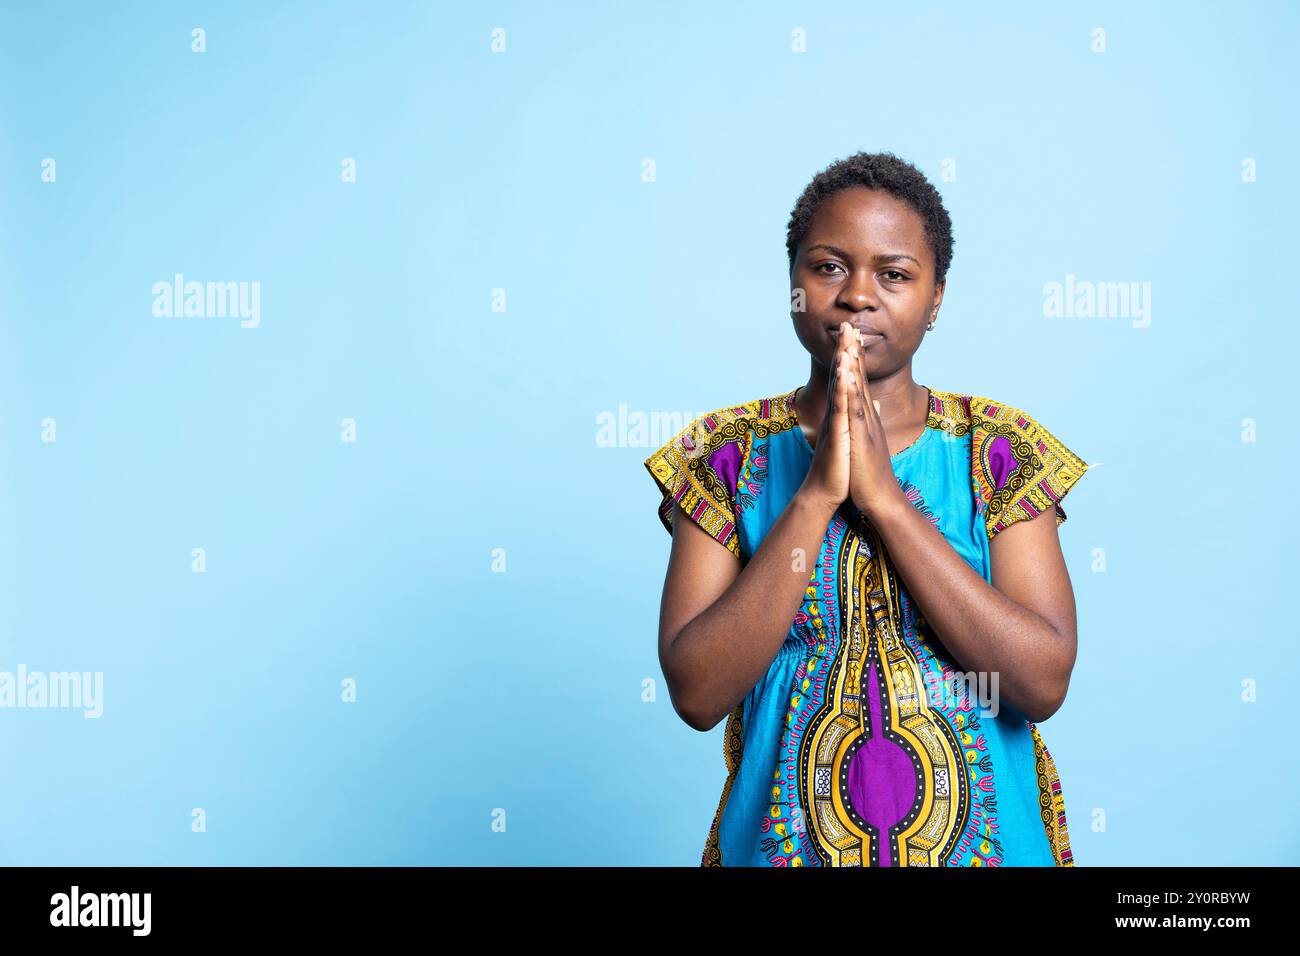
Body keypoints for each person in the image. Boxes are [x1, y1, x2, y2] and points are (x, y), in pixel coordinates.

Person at [643, 151, 1088, 867]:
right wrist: (818, 494)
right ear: (792, 285)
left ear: (937, 297)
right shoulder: (723, 455)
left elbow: (1040, 682)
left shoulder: (999, 450)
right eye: (827, 267)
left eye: (895, 274)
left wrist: (885, 501)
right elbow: (697, 691)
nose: (857, 295)